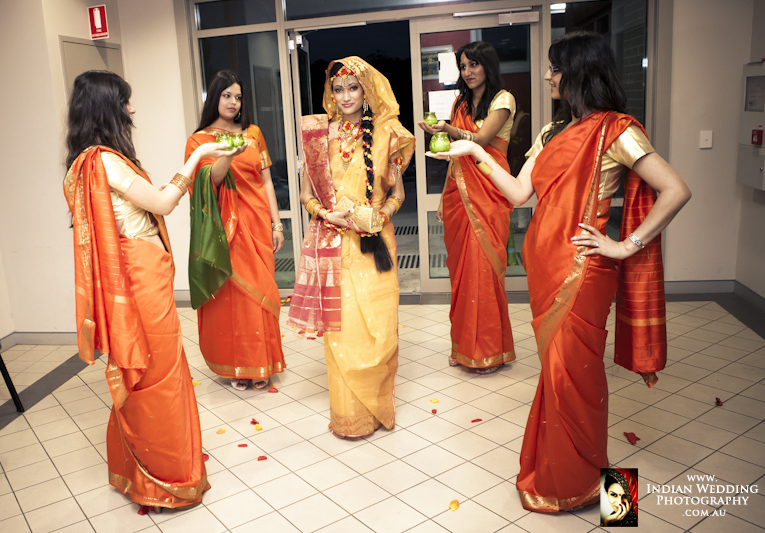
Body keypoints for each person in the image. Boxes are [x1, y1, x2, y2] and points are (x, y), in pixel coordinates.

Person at [427, 31, 691, 512]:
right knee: (557, 376)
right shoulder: (553, 131)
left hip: (582, 271)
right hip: (544, 266)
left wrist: (624, 246)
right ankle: (560, 481)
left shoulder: (617, 130)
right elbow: (517, 194)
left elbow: (676, 189)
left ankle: (601, 493)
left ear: (579, 72)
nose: (548, 75)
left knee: (578, 379)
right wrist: (475, 153)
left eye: (554, 67)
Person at [63, 71, 235, 511]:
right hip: (139, 279)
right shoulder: (103, 162)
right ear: (106, 108)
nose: (132, 109)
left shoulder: (85, 163)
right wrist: (198, 158)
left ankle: (147, 471)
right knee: (157, 374)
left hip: (141, 274)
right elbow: (161, 204)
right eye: (125, 101)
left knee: (154, 369)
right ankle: (164, 481)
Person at [288, 57, 414, 438]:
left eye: (353, 88)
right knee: (342, 331)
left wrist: (379, 215)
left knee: (380, 329)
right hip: (334, 243)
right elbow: (306, 195)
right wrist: (327, 215)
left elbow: (398, 193)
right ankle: (349, 417)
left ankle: (376, 410)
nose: (345, 96)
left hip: (375, 244)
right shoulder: (317, 135)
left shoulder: (387, 134)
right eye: (338, 89)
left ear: (366, 91)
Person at [418, 41, 515, 374]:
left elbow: (480, 141)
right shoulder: (460, 102)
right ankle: (463, 347)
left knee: (483, 271)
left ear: (488, 65)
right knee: (461, 276)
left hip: (489, 191)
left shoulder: (503, 100)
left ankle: (489, 350)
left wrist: (446, 128)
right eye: (463, 66)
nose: (468, 71)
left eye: (474, 64)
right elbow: (455, 158)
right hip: (458, 195)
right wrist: (444, 198)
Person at [185, 70, 286, 391]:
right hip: (225, 228)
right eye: (227, 95)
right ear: (214, 97)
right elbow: (208, 181)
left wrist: (277, 223)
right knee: (234, 300)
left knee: (260, 295)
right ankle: (239, 366)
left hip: (257, 222)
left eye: (238, 97)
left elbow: (266, 180)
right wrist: (228, 155)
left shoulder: (253, 133)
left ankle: (262, 363)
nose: (233, 102)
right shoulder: (199, 141)